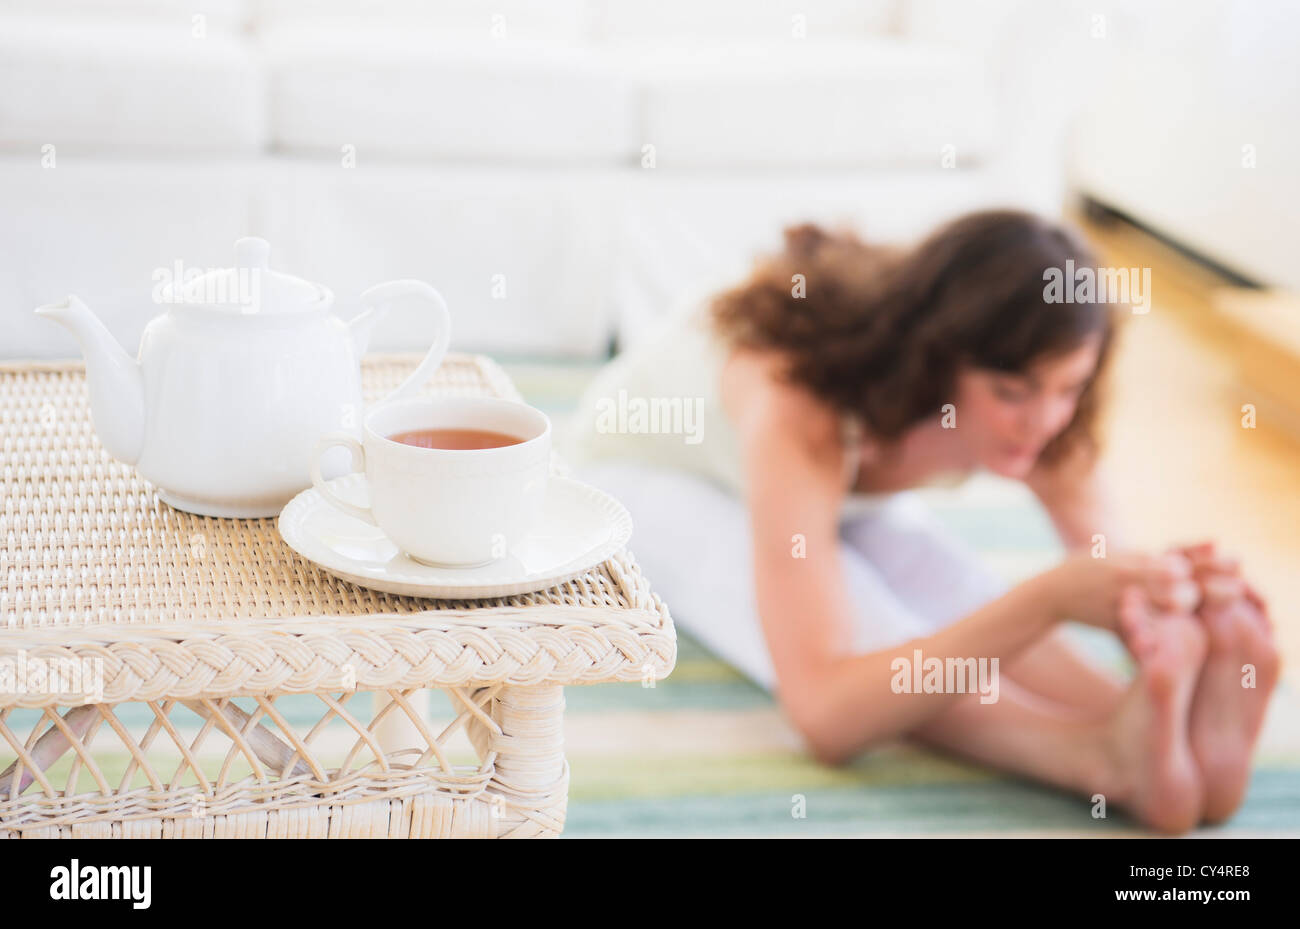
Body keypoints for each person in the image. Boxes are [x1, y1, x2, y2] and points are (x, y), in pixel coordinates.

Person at [565, 210, 1280, 833]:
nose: (1044, 418)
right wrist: (1050, 595)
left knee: (952, 582)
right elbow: (824, 710)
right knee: (881, 633)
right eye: (1011, 391)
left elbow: (1109, 567)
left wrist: (1176, 603)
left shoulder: (1045, 400)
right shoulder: (800, 404)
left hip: (832, 497)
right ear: (938, 363)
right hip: (636, 482)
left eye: (1070, 388)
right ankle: (1096, 759)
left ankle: (1157, 734)